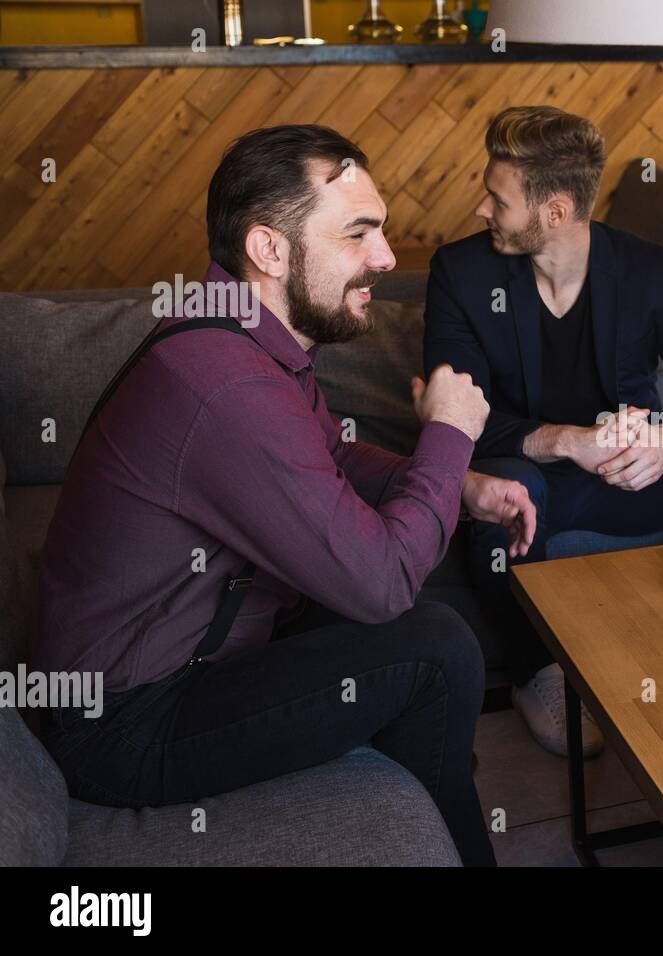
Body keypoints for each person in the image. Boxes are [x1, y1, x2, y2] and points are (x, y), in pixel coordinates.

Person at [32, 124, 536, 866]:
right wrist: (451, 434)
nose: (387, 259)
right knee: (433, 648)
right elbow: (384, 581)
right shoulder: (225, 383)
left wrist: (453, 482)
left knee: (412, 638)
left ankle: (422, 807)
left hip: (185, 667)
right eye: (359, 234)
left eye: (383, 232)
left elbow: (327, 457)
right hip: (121, 726)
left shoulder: (247, 340)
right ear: (269, 250)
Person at [424, 106, 663, 758]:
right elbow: (455, 414)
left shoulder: (650, 269)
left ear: (555, 212)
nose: (480, 209)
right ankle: (536, 670)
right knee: (507, 493)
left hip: (636, 474)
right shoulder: (463, 274)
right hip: (536, 477)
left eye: (497, 199)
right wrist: (563, 440)